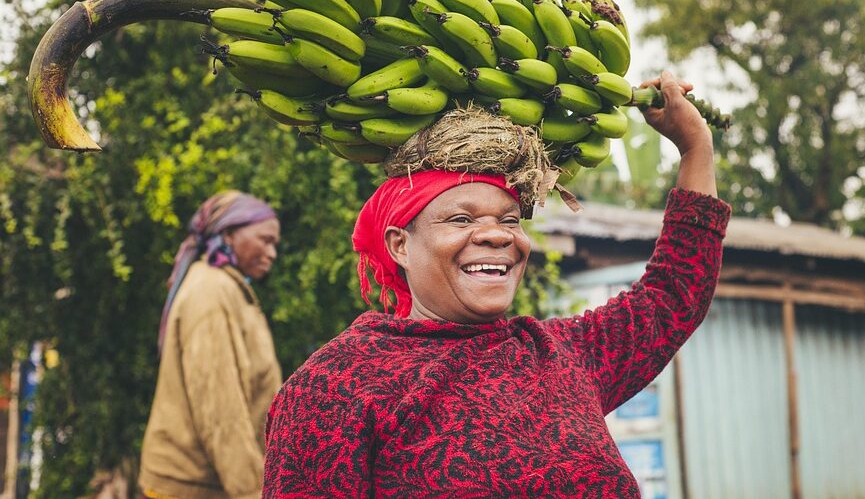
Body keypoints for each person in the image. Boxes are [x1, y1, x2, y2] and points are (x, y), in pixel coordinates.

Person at [262, 72, 729, 496]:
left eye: (510, 219)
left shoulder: (559, 354)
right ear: (400, 245)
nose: (496, 234)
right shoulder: (335, 387)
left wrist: (695, 148)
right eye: (461, 218)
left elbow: (671, 296)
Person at [140, 191, 283, 499]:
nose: (271, 253)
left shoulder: (226, 286)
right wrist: (251, 491)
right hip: (192, 486)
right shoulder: (210, 292)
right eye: (265, 240)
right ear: (229, 234)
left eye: (275, 244)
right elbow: (220, 407)